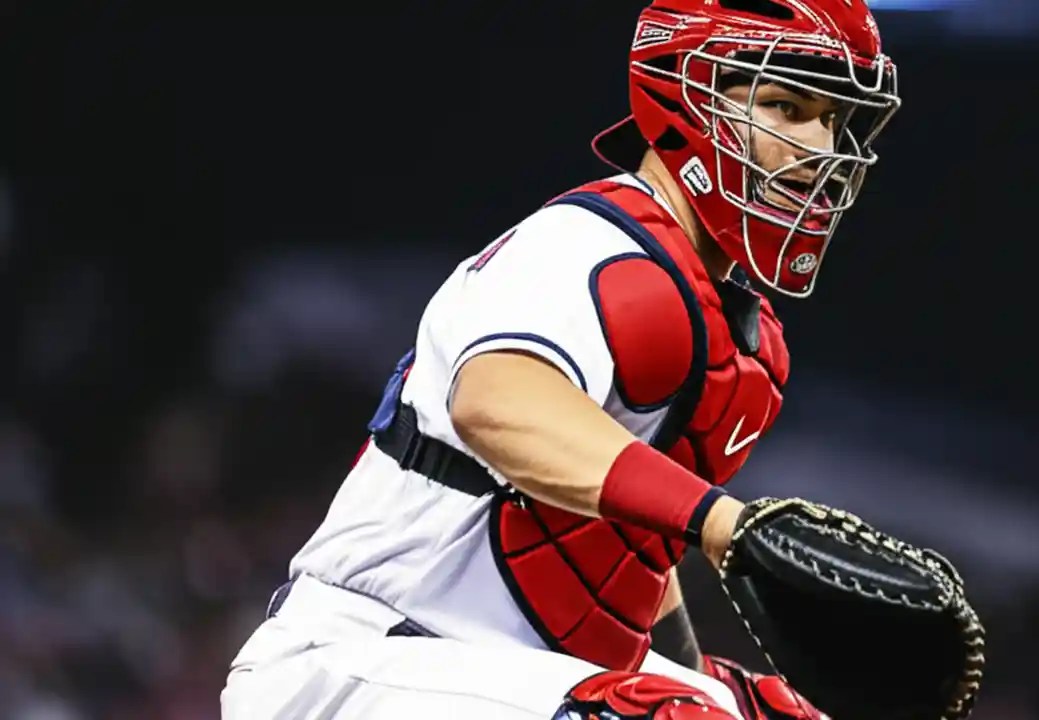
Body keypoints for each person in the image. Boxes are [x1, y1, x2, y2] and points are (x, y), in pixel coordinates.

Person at [220, 0, 901, 717]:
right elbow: (494, 404)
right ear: (690, 99)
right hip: (358, 659)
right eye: (788, 106)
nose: (820, 145)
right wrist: (719, 521)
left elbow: (618, 546)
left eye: (833, 119)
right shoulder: (591, 245)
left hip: (493, 676)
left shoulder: (721, 322)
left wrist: (696, 675)